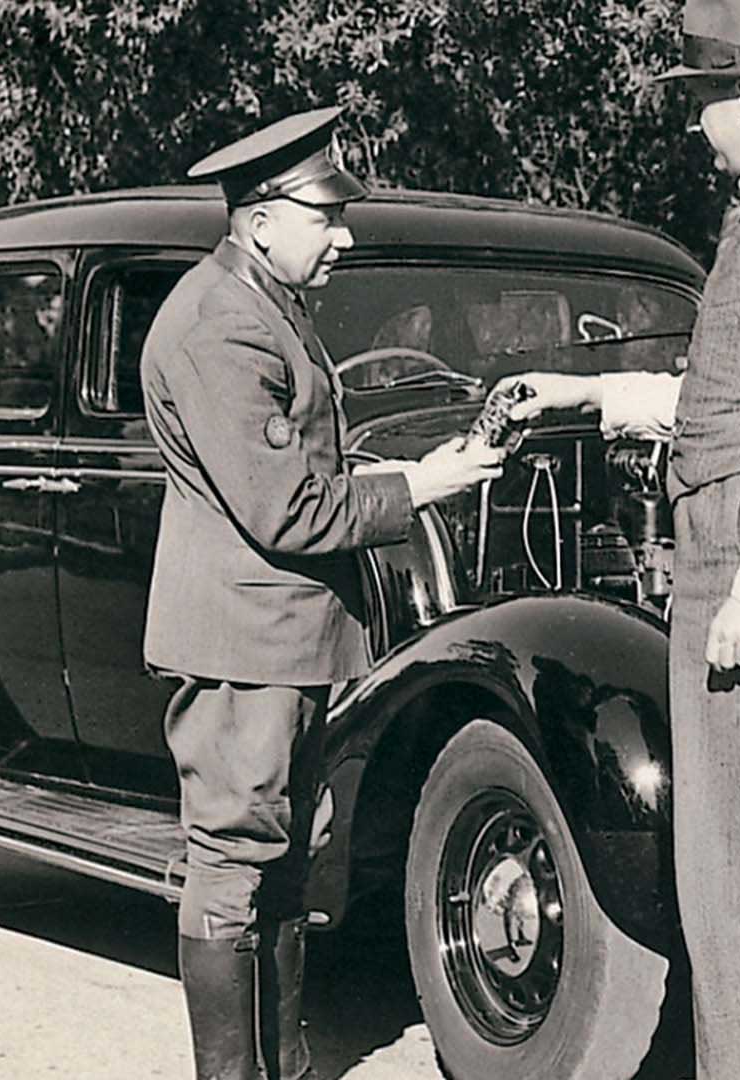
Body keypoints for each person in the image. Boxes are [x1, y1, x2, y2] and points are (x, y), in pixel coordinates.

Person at [500, 2, 740, 1075]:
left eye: (701, 99)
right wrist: (591, 394)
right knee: (729, 875)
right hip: (737, 557)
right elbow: (728, 396)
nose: (695, 123)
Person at [140, 106, 502, 1080]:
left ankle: (283, 1069)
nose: (343, 236)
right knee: (231, 867)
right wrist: (424, 485)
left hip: (283, 643)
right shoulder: (219, 321)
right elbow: (285, 509)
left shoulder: (263, 303)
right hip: (240, 648)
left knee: (286, 867)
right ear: (259, 218)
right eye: (325, 216)